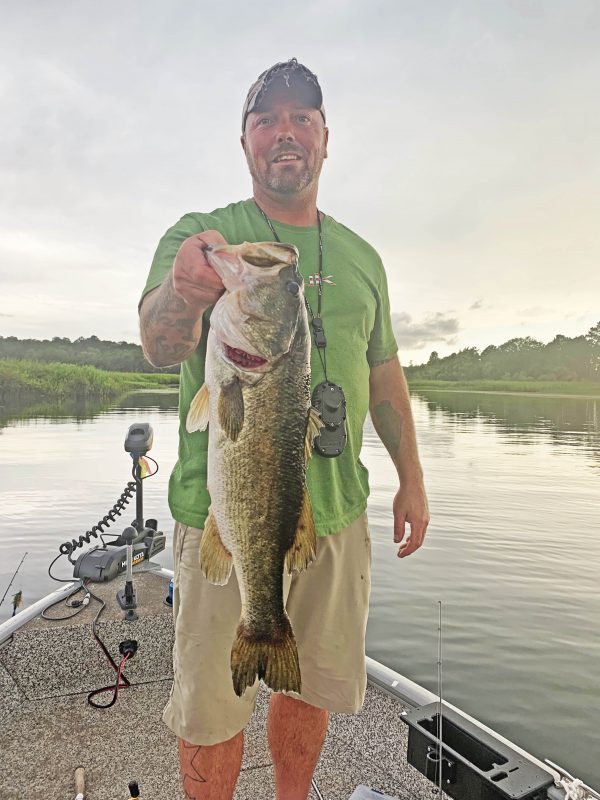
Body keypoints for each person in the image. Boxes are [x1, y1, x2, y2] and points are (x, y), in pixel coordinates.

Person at [139, 58, 430, 800]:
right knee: (210, 715)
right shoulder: (203, 237)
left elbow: (384, 373)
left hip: (331, 520)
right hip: (222, 517)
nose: (285, 131)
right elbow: (160, 344)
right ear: (245, 143)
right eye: (266, 118)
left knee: (305, 697)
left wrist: (414, 480)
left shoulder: (364, 259)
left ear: (327, 138)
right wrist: (182, 288)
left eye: (303, 117)